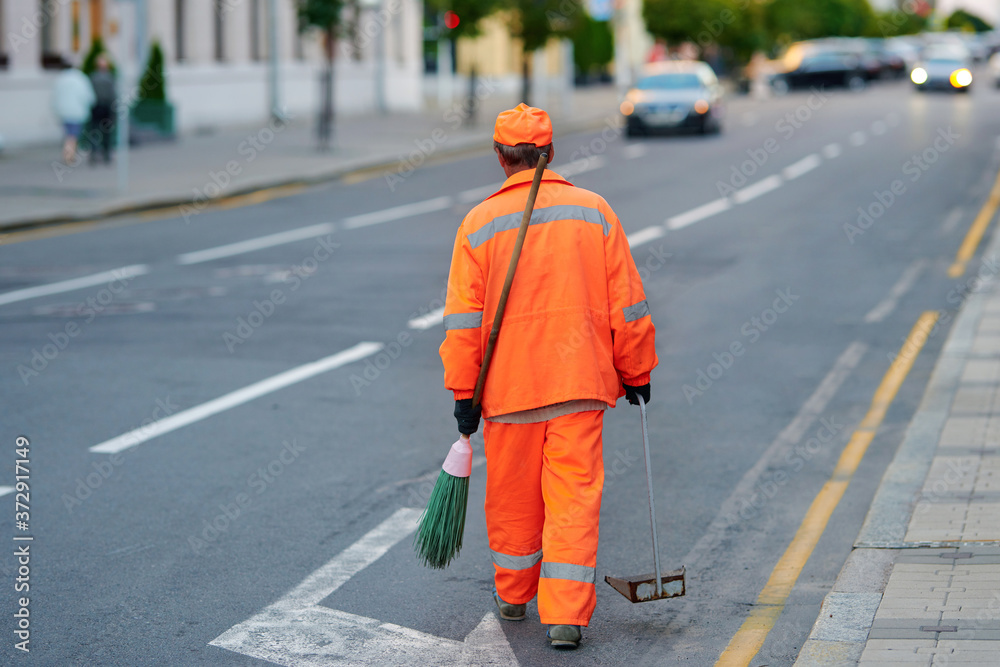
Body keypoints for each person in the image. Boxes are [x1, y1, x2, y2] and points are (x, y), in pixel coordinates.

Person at [439, 103, 658, 650]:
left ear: (499, 157)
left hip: (508, 391)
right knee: (573, 499)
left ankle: (514, 595)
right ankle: (564, 616)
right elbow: (626, 305)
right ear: (552, 152)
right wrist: (637, 370)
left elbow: (464, 323)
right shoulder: (595, 211)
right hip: (578, 385)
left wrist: (464, 393)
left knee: (512, 497)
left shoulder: (478, 224)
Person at [51, 62, 95, 165]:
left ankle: (68, 154)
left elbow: (55, 96)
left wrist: (56, 109)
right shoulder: (80, 78)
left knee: (68, 133)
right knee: (72, 135)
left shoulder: (60, 79)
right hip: (77, 111)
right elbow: (88, 96)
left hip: (63, 111)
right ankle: (69, 155)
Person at [88, 54, 117, 165]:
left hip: (95, 107)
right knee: (107, 132)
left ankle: (94, 153)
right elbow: (113, 94)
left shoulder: (93, 77)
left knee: (94, 131)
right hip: (107, 107)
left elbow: (89, 93)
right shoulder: (110, 78)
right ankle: (106, 154)